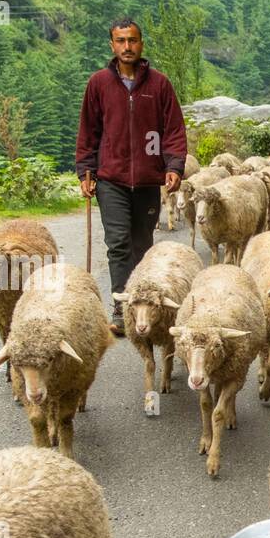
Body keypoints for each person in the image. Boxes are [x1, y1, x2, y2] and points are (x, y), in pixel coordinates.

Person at [75, 18, 188, 335]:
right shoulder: (98, 84)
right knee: (119, 244)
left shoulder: (159, 85)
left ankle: (146, 306)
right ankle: (122, 308)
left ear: (141, 44)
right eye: (121, 41)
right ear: (112, 45)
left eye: (133, 40)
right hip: (111, 180)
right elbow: (88, 131)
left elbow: (174, 131)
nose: (127, 46)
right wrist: (86, 170)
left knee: (142, 245)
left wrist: (174, 166)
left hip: (148, 181)